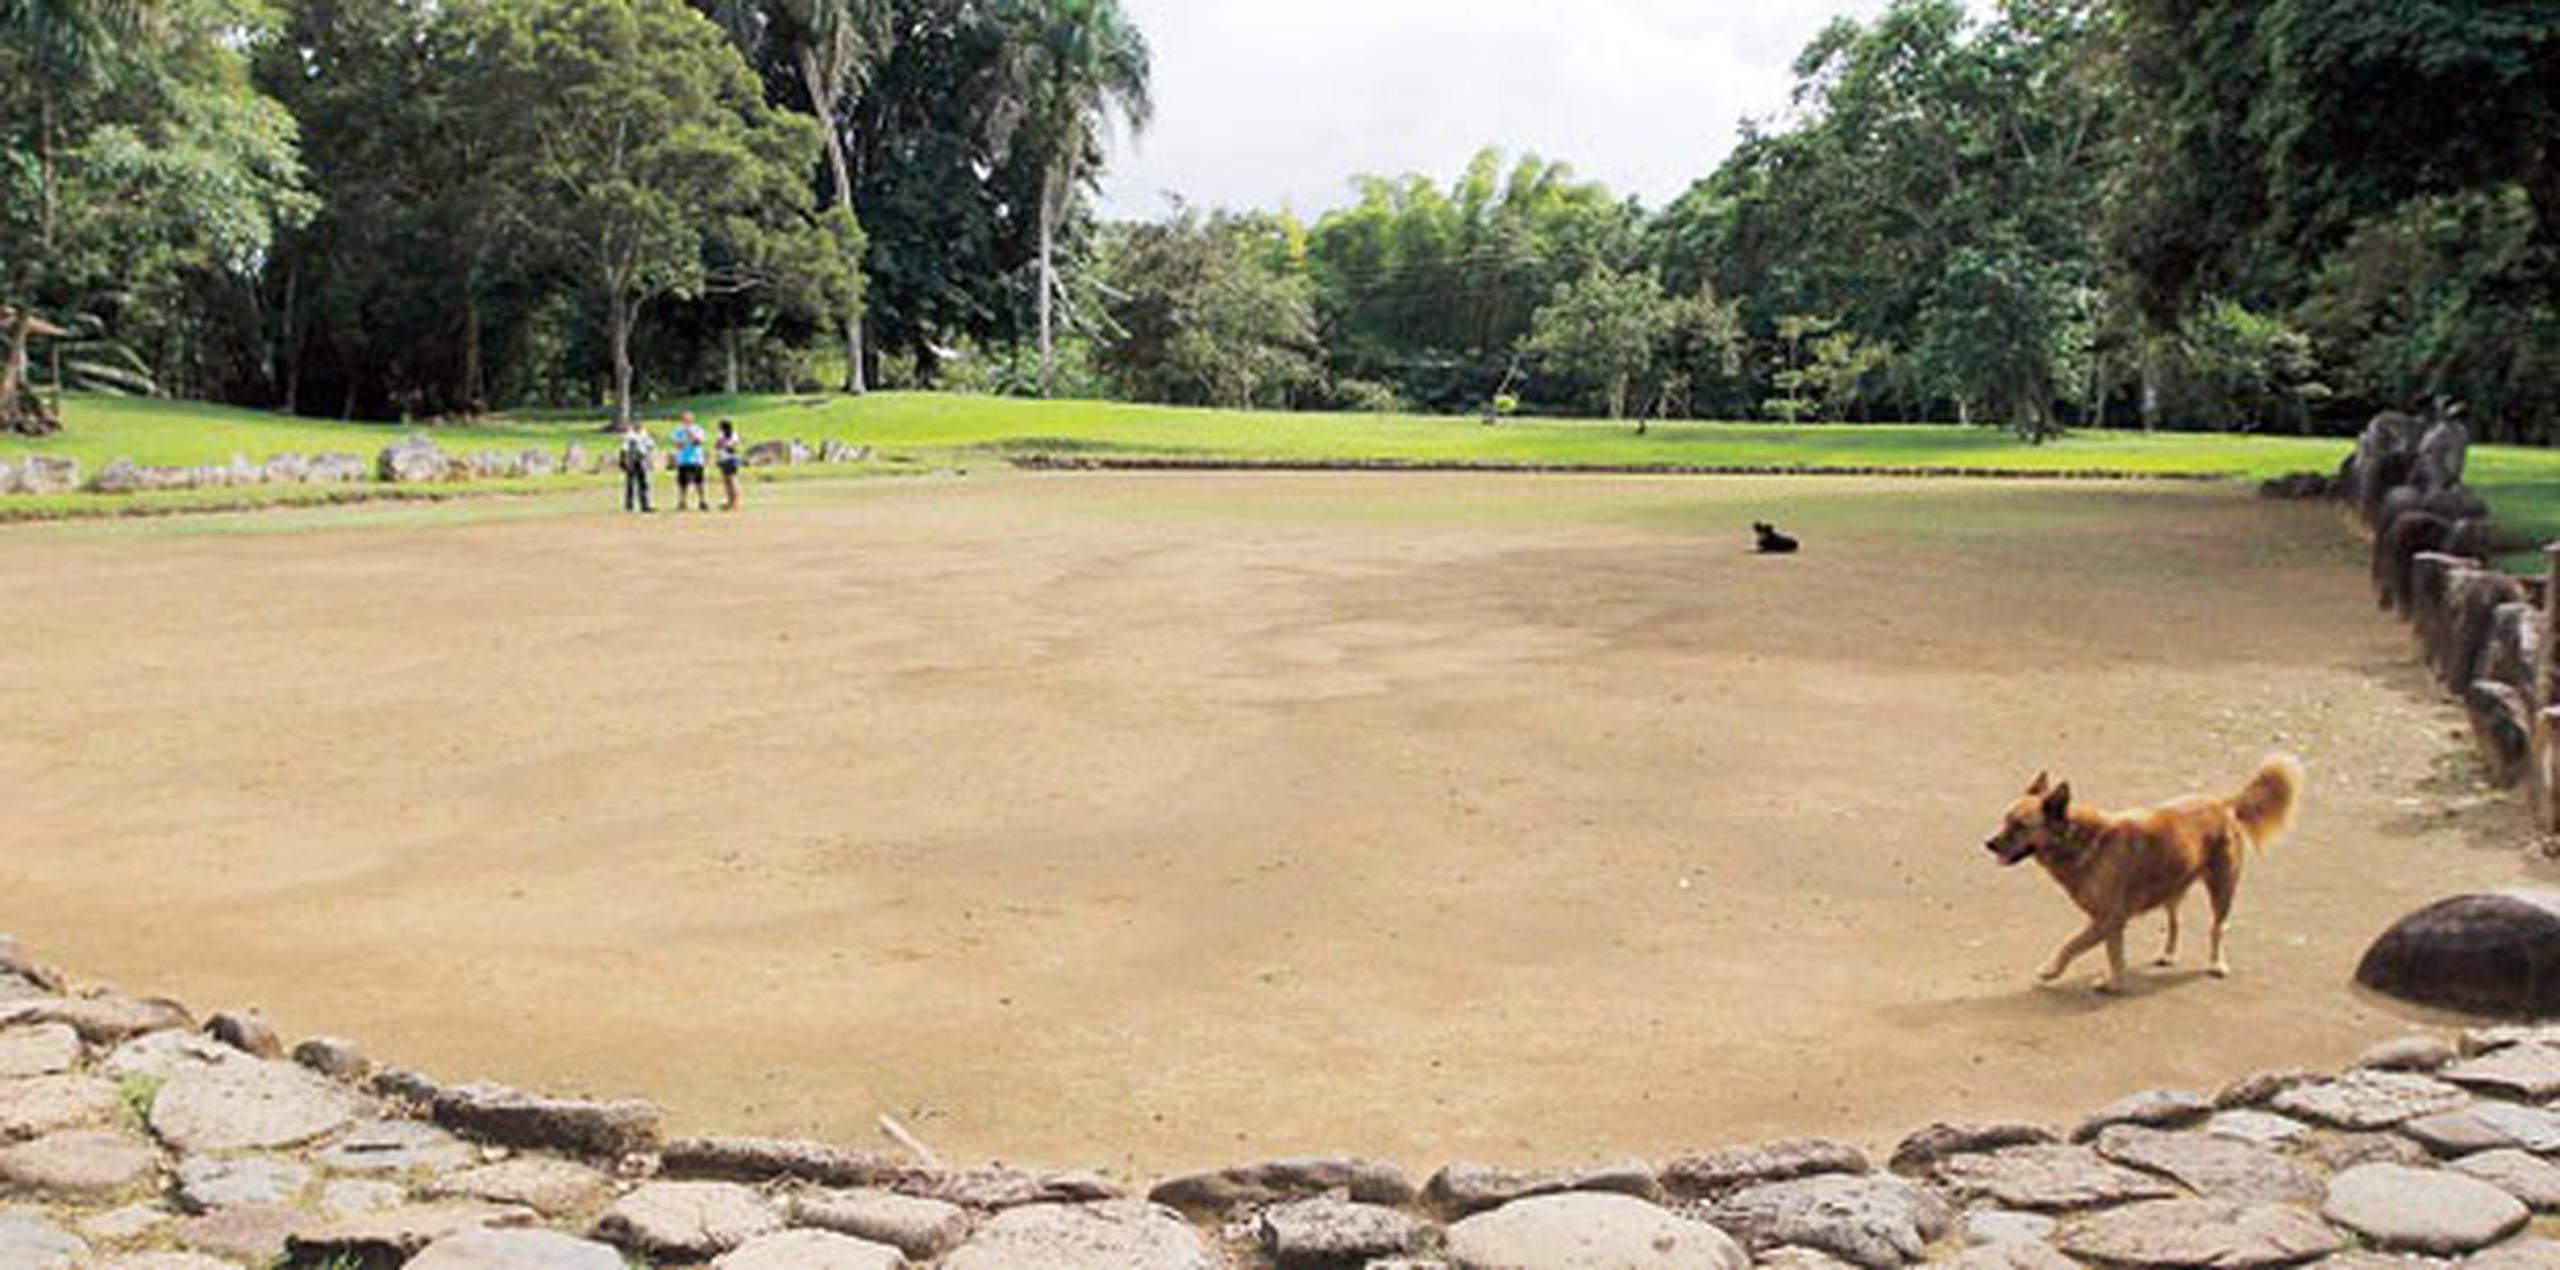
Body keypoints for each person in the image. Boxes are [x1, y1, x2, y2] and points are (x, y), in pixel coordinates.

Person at [670, 412, 710, 512]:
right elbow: (677, 444)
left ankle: (702, 501)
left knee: (699, 482)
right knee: (683, 483)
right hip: (683, 459)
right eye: (685, 419)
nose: (687, 421)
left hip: (696, 459)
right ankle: (682, 501)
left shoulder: (698, 429)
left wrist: (690, 434)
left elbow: (699, 441)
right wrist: (684, 441)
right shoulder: (678, 430)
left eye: (689, 419)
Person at [617, 419, 656, 514]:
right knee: (630, 483)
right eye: (636, 423)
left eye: (639, 423)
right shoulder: (629, 435)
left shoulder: (645, 434)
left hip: (642, 458)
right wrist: (623, 461)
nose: (638, 425)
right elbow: (624, 449)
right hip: (632, 459)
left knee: (643, 483)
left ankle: (645, 504)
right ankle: (629, 505)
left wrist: (649, 458)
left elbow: (650, 446)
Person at [716, 419, 743, 511]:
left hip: (731, 459)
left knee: (733, 480)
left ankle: (735, 502)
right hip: (723, 459)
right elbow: (717, 446)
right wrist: (721, 443)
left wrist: (725, 444)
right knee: (726, 481)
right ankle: (730, 501)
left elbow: (733, 448)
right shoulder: (721, 435)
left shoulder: (734, 435)